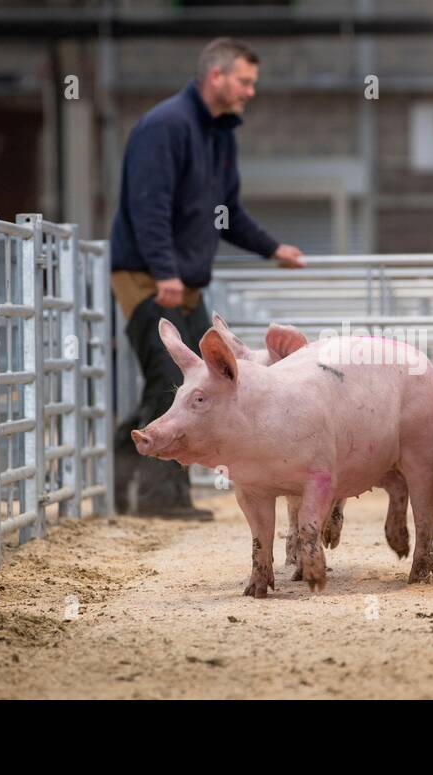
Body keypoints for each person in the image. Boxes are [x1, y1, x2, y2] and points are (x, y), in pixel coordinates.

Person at [111, 38, 305, 520]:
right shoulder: (165, 126)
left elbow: (228, 214)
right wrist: (164, 271)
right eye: (244, 81)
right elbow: (148, 206)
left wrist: (271, 248)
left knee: (191, 378)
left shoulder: (218, 135)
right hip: (149, 277)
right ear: (215, 77)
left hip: (180, 280)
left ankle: (125, 468)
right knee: (167, 378)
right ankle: (159, 500)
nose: (250, 91)